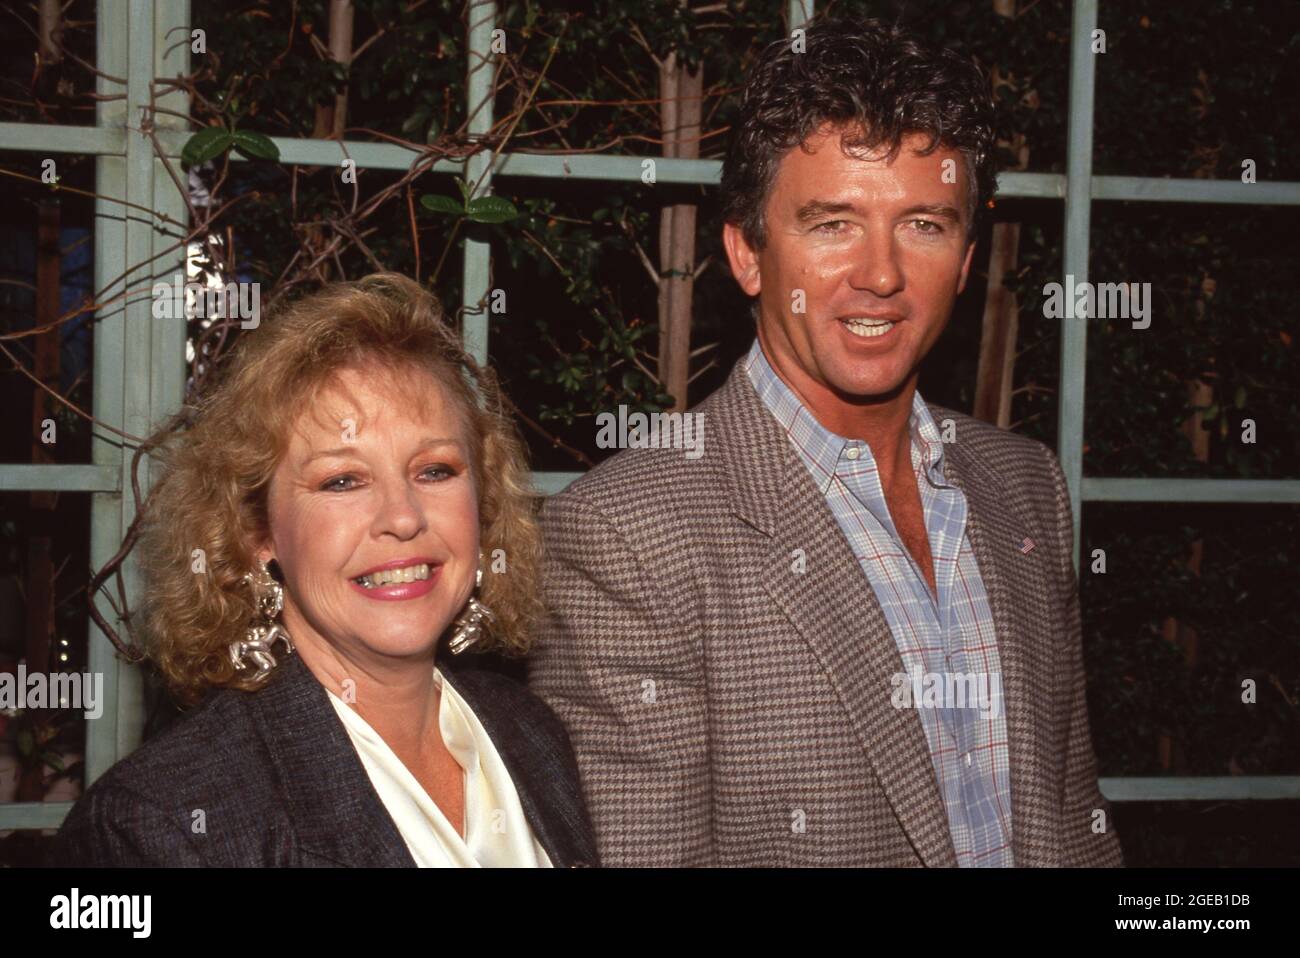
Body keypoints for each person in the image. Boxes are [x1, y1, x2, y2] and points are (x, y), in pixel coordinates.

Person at [529, 17, 1123, 867]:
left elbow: (1073, 823)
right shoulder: (627, 537)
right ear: (747, 253)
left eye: (924, 224)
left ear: (964, 258)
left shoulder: (1022, 483)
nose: (880, 274)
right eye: (832, 223)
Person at [51, 274, 597, 867]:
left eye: (435, 470)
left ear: (484, 500)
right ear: (256, 532)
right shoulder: (158, 825)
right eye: (342, 480)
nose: (403, 517)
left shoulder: (532, 733)